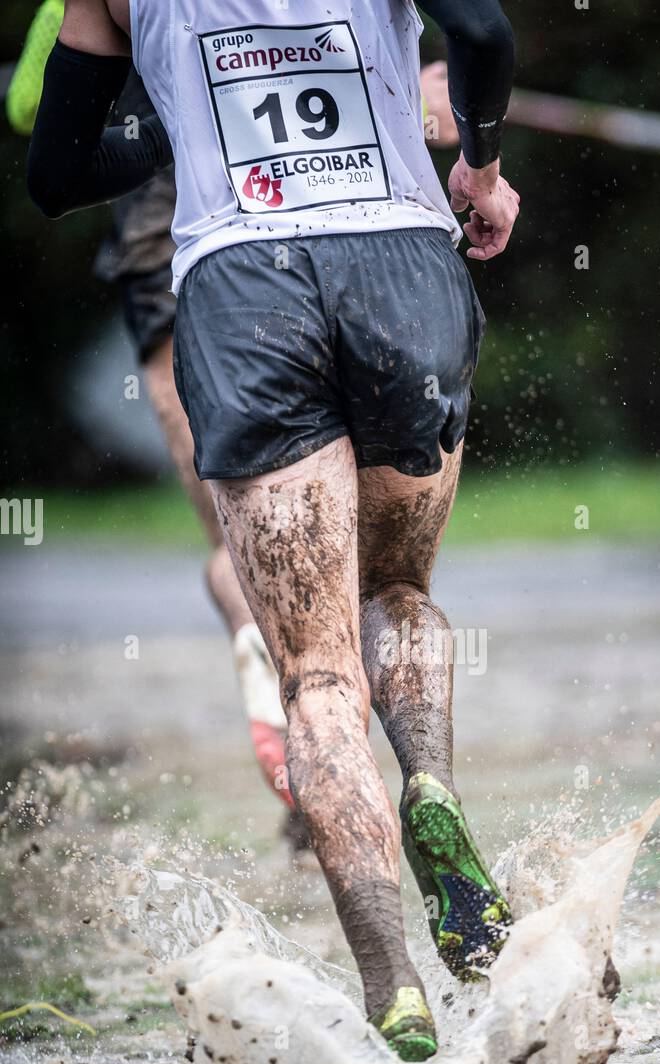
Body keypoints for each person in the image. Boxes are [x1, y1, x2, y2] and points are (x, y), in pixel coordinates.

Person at [27, 0, 520, 1062]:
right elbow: (479, 35)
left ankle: (391, 989)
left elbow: (55, 167)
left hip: (245, 287)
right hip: (399, 263)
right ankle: (429, 779)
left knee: (317, 675)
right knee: (398, 592)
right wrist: (478, 168)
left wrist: (181, 114)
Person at [9, 3, 458, 857]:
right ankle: (327, 749)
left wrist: (180, 106)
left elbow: (34, 113)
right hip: (242, 235)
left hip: (227, 244)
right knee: (351, 567)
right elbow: (34, 105)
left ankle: (303, 746)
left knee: (242, 543)